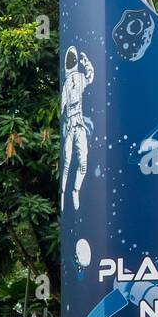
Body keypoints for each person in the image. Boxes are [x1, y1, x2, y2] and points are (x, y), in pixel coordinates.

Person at [61, 45, 94, 211]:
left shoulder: (80, 78)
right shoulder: (66, 84)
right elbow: (62, 109)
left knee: (83, 161)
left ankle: (76, 190)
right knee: (67, 161)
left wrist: (87, 63)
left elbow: (91, 76)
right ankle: (63, 193)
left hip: (79, 124)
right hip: (69, 126)